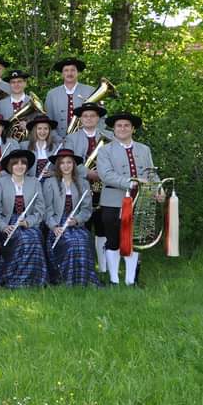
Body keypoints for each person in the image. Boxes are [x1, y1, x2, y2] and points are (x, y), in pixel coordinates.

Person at [96, 111, 155, 286]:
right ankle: (114, 280)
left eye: (126, 126)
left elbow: (151, 173)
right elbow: (105, 175)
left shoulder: (144, 149)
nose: (122, 128)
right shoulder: (105, 151)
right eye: (119, 126)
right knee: (113, 239)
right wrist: (131, 182)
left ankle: (131, 281)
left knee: (134, 240)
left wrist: (157, 190)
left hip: (140, 200)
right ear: (113, 129)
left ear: (133, 129)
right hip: (113, 201)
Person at [61, 101, 111, 262]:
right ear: (80, 119)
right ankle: (86, 261)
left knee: (103, 225)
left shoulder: (110, 137)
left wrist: (102, 174)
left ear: (98, 118)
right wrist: (88, 172)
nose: (89, 119)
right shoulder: (71, 138)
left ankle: (103, 266)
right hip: (80, 186)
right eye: (85, 116)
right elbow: (68, 161)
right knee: (84, 223)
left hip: (104, 188)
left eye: (92, 116)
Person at [44, 148, 100, 286]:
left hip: (75, 223)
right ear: (58, 165)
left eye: (69, 162)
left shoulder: (83, 183)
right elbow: (46, 209)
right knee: (70, 243)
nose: (66, 165)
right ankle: (65, 279)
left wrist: (77, 220)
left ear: (74, 165)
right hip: (57, 223)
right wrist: (54, 227)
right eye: (62, 163)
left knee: (83, 241)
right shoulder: (49, 183)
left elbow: (86, 209)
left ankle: (82, 279)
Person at [0, 149, 47, 288]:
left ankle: (34, 279)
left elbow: (40, 210)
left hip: (29, 223)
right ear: (10, 166)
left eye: (23, 163)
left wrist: (28, 222)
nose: (20, 166)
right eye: (15, 163)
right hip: (8, 223)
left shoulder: (34, 182)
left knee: (33, 238)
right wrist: (3, 226)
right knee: (22, 240)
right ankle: (16, 279)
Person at [44, 57, 96, 140]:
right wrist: (56, 138)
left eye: (73, 70)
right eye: (66, 70)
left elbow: (102, 117)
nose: (69, 73)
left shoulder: (90, 91)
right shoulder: (52, 94)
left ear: (78, 73)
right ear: (62, 74)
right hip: (58, 141)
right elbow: (47, 119)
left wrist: (93, 136)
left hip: (86, 139)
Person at [21, 115, 59, 180]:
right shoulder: (23, 146)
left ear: (49, 131)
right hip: (32, 185)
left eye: (46, 128)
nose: (43, 132)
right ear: (34, 130)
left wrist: (53, 173)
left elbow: (63, 170)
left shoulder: (56, 147)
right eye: (39, 128)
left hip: (50, 185)